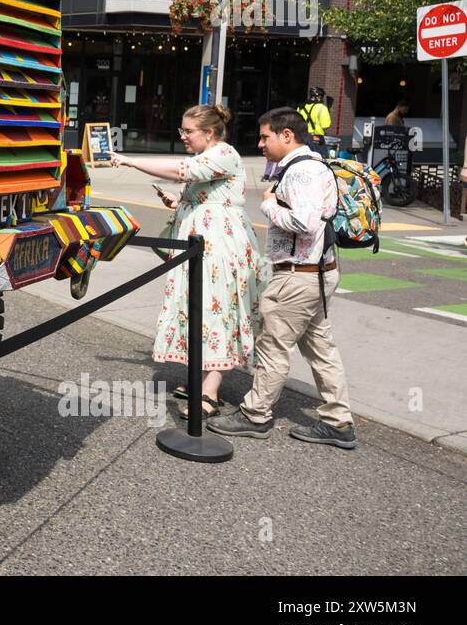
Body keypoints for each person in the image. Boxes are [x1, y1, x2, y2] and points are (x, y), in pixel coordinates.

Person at [208, 107, 358, 449]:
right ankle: (338, 421)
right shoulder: (314, 166)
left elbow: (305, 223)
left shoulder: (301, 173)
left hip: (297, 276)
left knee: (273, 346)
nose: (260, 144)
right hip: (318, 273)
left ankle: (254, 415)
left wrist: (269, 205)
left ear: (286, 135)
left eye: (265, 137)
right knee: (321, 349)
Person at [109, 105, 265, 419]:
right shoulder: (208, 158)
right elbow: (200, 191)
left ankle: (210, 393)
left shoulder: (224, 154)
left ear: (209, 132)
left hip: (219, 249)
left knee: (216, 311)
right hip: (202, 246)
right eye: (182, 130)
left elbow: (183, 170)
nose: (183, 136)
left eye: (188, 131)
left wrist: (129, 160)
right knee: (199, 311)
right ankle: (201, 381)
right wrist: (176, 200)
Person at [297, 86, 331, 153]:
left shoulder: (301, 107)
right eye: (321, 96)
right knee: (319, 158)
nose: (322, 98)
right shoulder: (322, 107)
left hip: (301, 136)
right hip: (315, 138)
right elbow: (326, 125)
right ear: (318, 96)